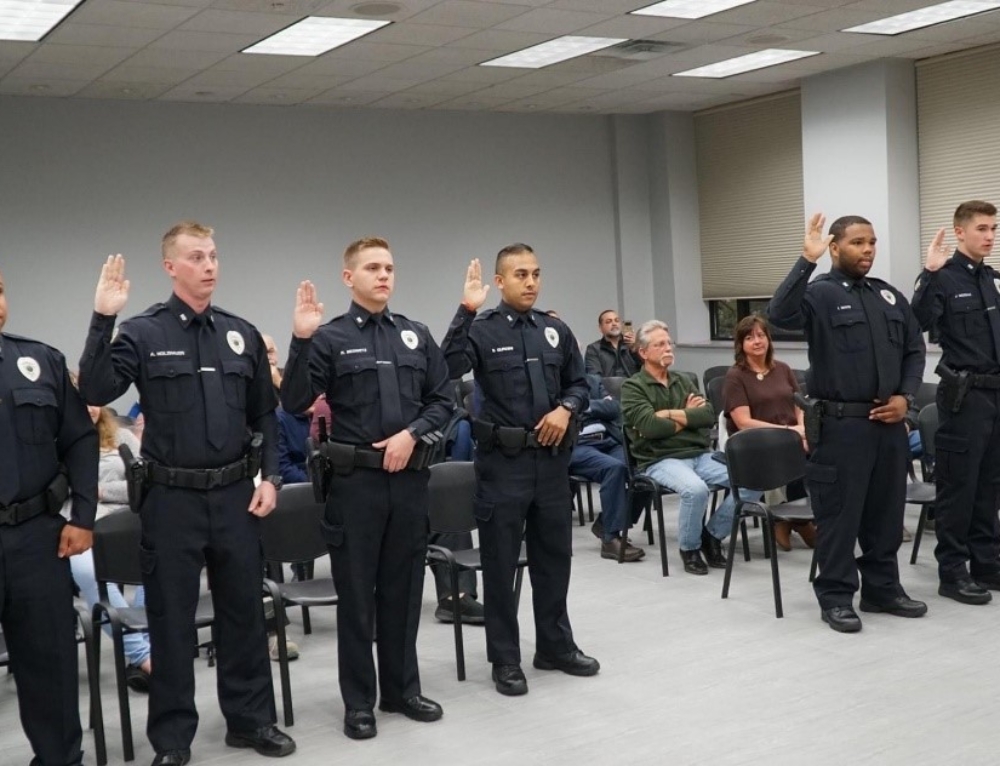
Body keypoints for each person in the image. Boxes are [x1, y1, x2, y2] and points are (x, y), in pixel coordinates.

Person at [79, 222, 295, 766]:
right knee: (172, 622)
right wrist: (103, 317)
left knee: (243, 614)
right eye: (196, 256)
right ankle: (173, 741)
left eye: (214, 255)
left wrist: (271, 476)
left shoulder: (240, 333)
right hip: (170, 500)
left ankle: (250, 722)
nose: (209, 265)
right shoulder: (143, 332)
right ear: (171, 267)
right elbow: (98, 389)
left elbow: (265, 416)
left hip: (234, 497)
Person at [281, 236, 452, 741]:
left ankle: (402, 690)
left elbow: (444, 401)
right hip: (355, 484)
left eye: (389, 267)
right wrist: (300, 340)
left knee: (404, 591)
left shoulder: (415, 335)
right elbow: (293, 402)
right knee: (357, 598)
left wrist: (411, 434)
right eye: (372, 267)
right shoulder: (329, 338)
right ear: (348, 277)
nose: (383, 275)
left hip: (409, 479)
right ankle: (359, 702)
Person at [441, 247, 600, 697]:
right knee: (500, 564)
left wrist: (567, 410)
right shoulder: (483, 330)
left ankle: (554, 645)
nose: (530, 282)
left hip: (551, 464)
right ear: (500, 280)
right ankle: (505, 659)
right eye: (520, 275)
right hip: (502, 466)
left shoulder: (555, 330)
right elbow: (446, 367)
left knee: (554, 561)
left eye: (535, 274)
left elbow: (580, 383)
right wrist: (465, 309)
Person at [768, 212, 927, 633]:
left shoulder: (887, 296)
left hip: (889, 424)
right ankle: (836, 596)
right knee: (840, 517)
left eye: (872, 242)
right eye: (858, 242)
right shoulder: (819, 294)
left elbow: (915, 350)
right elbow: (779, 314)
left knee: (886, 514)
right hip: (842, 426)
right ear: (835, 247)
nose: (868, 249)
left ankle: (882, 589)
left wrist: (905, 399)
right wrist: (806, 260)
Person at [0, 268, 98, 766]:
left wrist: (83, 516)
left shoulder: (39, 361)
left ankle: (61, 759)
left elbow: (80, 439)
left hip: (37, 538)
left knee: (50, 664)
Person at [911, 200, 1000, 605]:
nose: (990, 236)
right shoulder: (943, 279)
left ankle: (987, 563)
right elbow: (915, 324)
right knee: (959, 486)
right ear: (960, 232)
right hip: (963, 397)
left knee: (990, 486)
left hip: (995, 394)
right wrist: (929, 274)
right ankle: (953, 571)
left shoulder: (992, 279)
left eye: (994, 229)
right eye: (982, 228)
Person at [620, 321, 739, 575]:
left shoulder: (683, 380)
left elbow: (707, 416)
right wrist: (688, 416)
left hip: (699, 454)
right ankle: (690, 548)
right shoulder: (633, 387)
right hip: (659, 459)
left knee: (751, 480)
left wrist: (671, 414)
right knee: (696, 490)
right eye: (659, 344)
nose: (668, 348)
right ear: (643, 352)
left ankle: (712, 535)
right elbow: (650, 428)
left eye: (669, 343)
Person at [69, 401, 153, 691]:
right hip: (83, 525)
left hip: (129, 520)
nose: (89, 408)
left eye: (93, 402)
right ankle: (143, 657)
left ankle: (146, 650)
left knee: (158, 557)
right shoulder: (55, 443)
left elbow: (144, 479)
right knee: (87, 572)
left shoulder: (121, 437)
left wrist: (101, 490)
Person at [722, 315, 816, 552]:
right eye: (749, 337)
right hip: (756, 443)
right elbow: (743, 423)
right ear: (740, 344)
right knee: (793, 456)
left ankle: (794, 519)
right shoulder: (736, 376)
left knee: (821, 457)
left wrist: (802, 430)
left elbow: (799, 405)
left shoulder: (782, 369)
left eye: (761, 335)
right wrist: (789, 433)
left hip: (791, 436)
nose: (757, 341)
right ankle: (790, 521)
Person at [571, 373, 642, 562]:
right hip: (576, 445)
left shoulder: (592, 381)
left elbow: (613, 408)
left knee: (645, 472)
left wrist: (583, 407)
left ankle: (605, 523)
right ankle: (611, 539)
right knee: (614, 468)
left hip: (608, 441)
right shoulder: (552, 382)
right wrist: (596, 406)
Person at [584, 309, 640, 378]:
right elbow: (594, 377)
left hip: (633, 387)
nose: (614, 324)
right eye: (608, 322)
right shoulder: (593, 349)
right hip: (607, 388)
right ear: (600, 328)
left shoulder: (631, 345)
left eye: (617, 320)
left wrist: (635, 348)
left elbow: (645, 370)